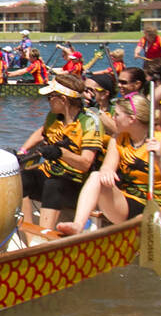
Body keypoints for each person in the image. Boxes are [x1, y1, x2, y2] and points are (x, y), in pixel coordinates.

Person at [56, 93, 161, 236]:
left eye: (116, 115)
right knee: (96, 175)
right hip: (124, 203)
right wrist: (106, 171)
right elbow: (107, 167)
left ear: (131, 119)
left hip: (152, 206)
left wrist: (160, 159)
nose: (112, 118)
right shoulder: (118, 138)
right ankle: (78, 225)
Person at [17, 74, 105, 230]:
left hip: (76, 182)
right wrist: (22, 152)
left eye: (50, 97)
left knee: (53, 184)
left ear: (63, 100)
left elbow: (85, 163)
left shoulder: (90, 121)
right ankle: (29, 234)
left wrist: (61, 153)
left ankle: (44, 235)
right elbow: (41, 133)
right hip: (51, 173)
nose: (47, 100)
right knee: (22, 179)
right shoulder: (53, 116)